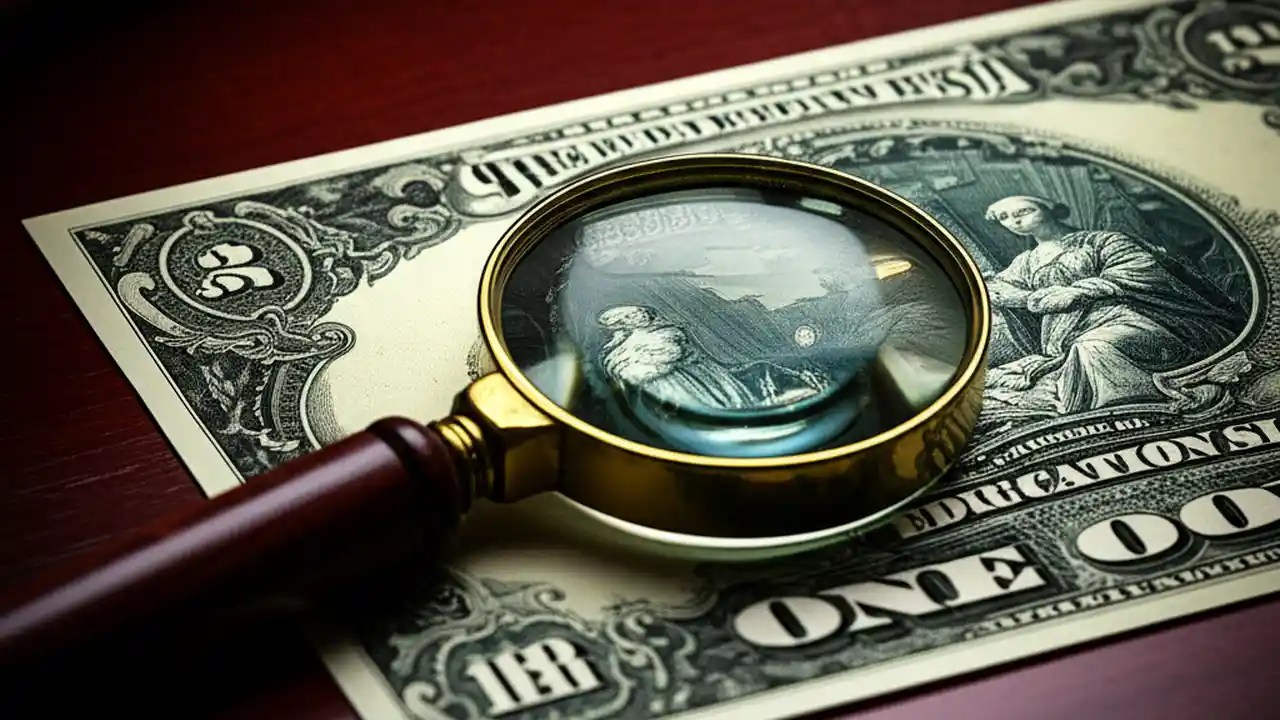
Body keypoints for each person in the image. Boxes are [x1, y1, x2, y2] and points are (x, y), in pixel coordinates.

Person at [982, 195, 1238, 414]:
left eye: (1024, 212)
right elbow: (997, 287)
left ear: (1049, 209)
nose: (1014, 221)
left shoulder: (1101, 241)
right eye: (1004, 217)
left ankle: (1137, 411)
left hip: (1128, 319)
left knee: (1093, 349)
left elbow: (1138, 269)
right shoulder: (1026, 261)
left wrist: (1079, 291)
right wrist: (1027, 298)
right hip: (1063, 337)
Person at [596, 305, 760, 412]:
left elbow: (671, 353)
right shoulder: (619, 346)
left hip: (691, 378)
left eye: (639, 314)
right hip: (664, 388)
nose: (640, 317)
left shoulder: (665, 333)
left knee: (717, 405)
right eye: (631, 316)